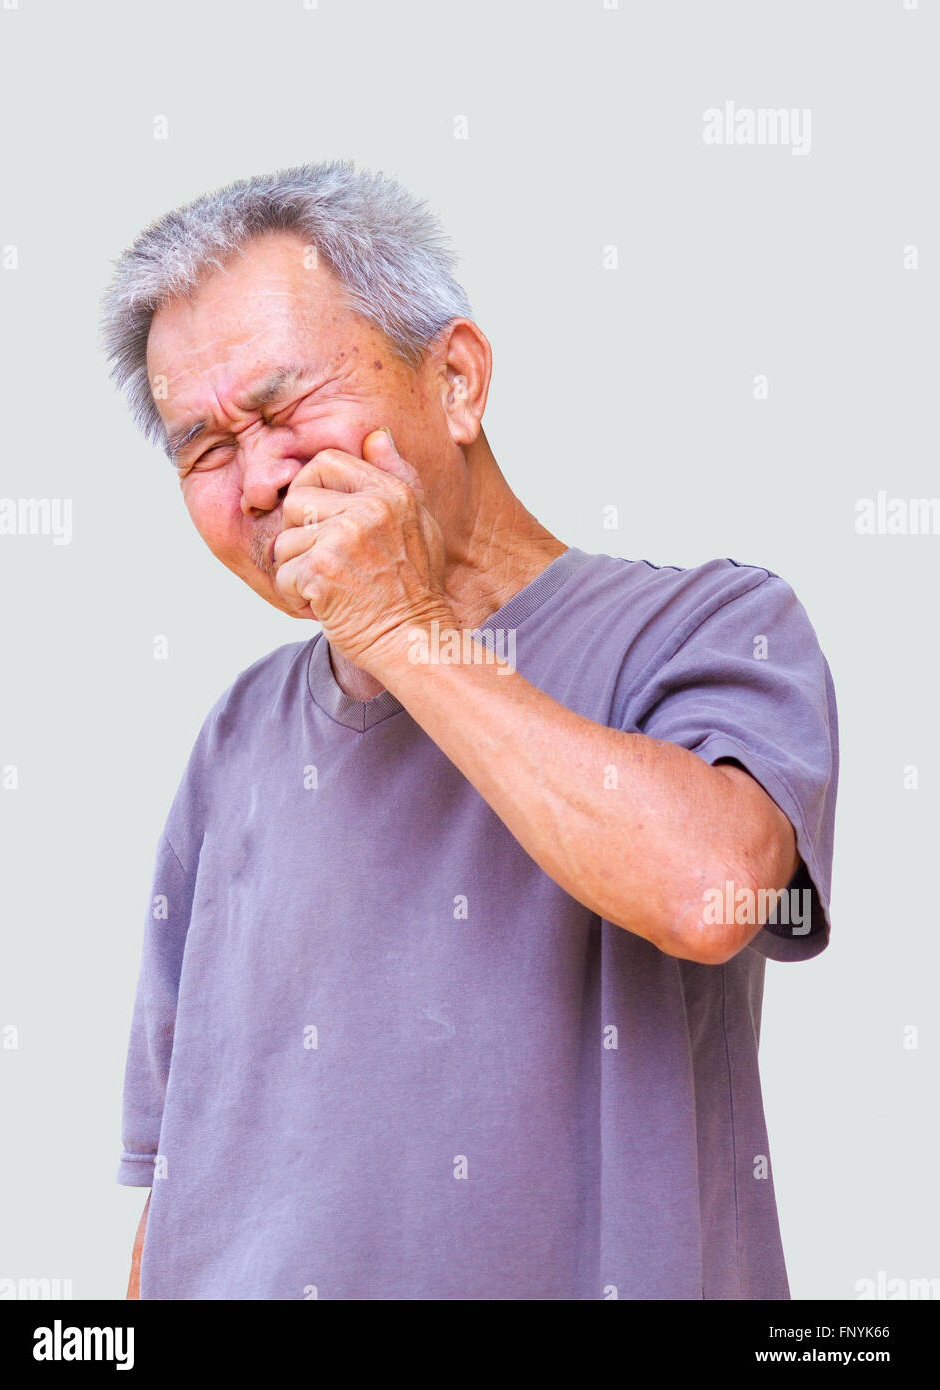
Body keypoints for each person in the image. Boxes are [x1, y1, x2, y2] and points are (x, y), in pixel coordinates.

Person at [101, 160, 838, 1300]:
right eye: (201, 446)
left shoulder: (710, 626)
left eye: (280, 407)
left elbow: (712, 895)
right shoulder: (234, 739)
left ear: (456, 379)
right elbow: (179, 1187)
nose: (253, 480)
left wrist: (402, 623)